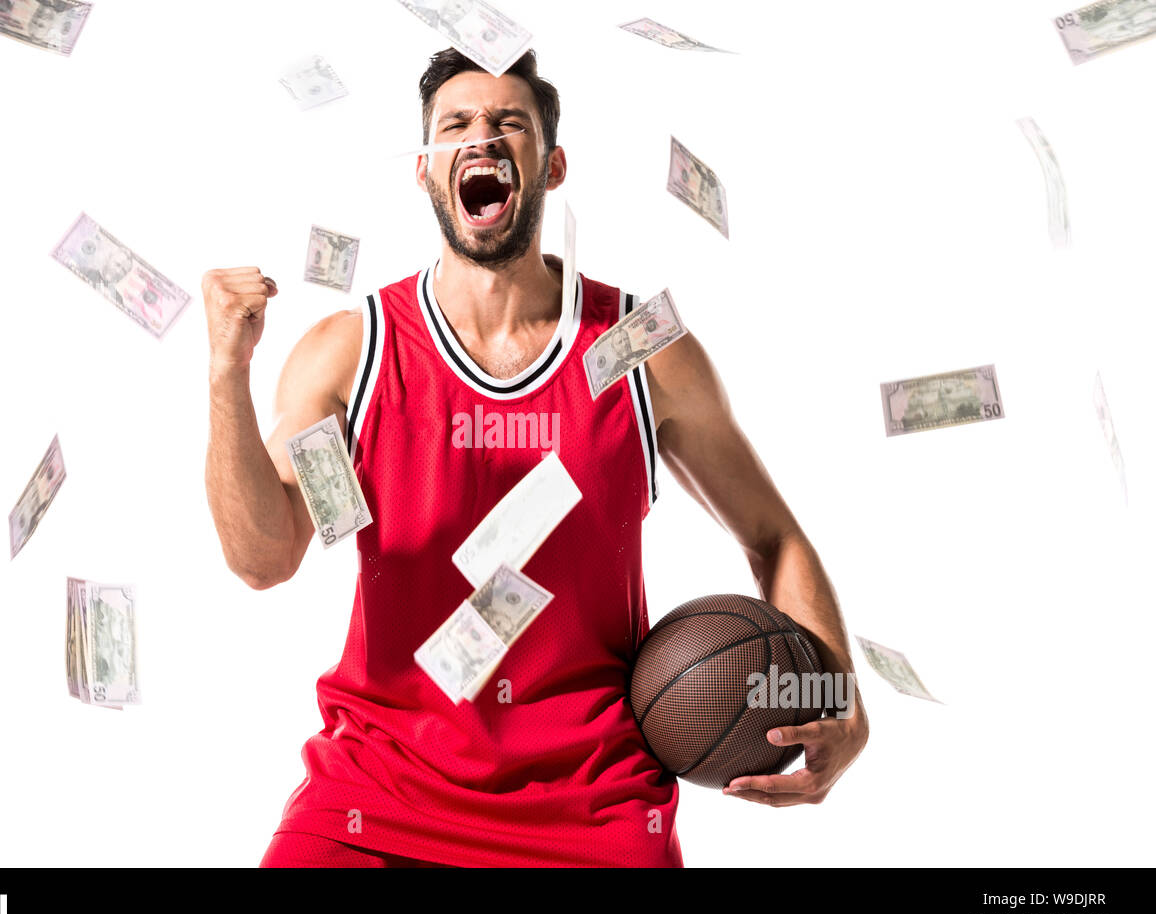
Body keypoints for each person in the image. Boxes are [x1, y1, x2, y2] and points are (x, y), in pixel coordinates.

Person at [203, 47, 868, 868]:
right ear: (425, 171)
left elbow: (774, 536)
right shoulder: (354, 356)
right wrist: (225, 374)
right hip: (378, 789)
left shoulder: (638, 347)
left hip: (593, 804)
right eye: (456, 125)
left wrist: (835, 692)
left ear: (550, 166)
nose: (481, 135)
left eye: (507, 122)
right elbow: (264, 558)